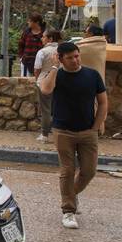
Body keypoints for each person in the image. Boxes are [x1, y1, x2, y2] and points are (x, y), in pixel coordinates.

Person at [38, 40, 108, 229]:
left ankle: (71, 195)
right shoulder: (56, 75)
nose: (75, 61)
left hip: (88, 131)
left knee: (89, 171)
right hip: (63, 131)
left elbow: (102, 102)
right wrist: (54, 66)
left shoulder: (92, 75)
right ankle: (68, 211)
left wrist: (96, 126)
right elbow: (45, 89)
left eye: (76, 56)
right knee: (67, 171)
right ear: (60, 59)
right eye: (69, 58)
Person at [33, 28, 63, 143]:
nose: (42, 38)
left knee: (46, 109)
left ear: (50, 39)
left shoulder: (42, 52)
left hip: (44, 81)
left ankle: (45, 134)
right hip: (60, 80)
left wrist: (38, 80)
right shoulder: (61, 51)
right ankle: (59, 133)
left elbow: (37, 69)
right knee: (59, 108)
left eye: (44, 36)